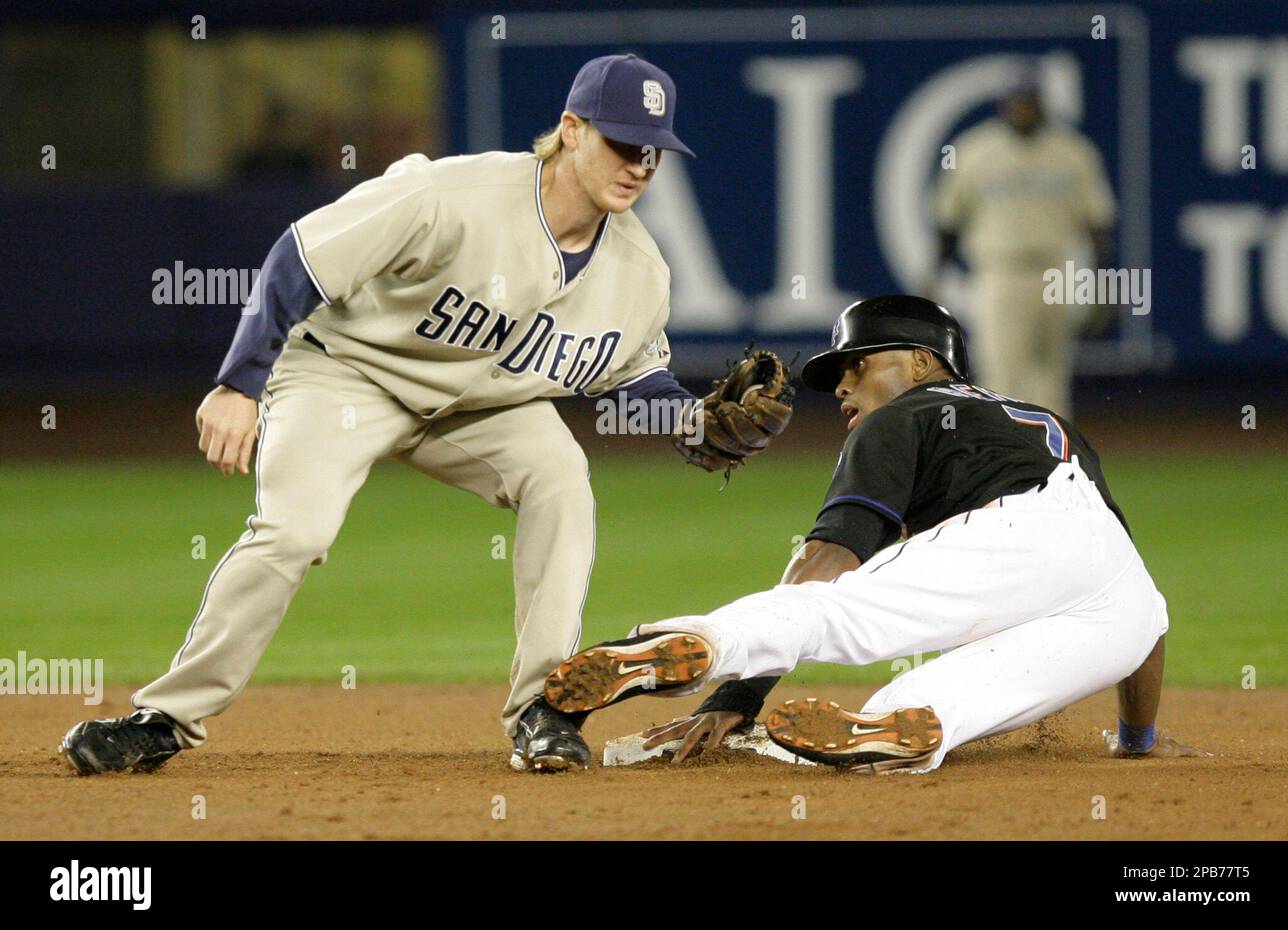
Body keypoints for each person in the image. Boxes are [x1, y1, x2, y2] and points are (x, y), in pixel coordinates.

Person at [60, 54, 746, 776]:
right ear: (571, 130)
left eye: (653, 151)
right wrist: (239, 384)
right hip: (345, 373)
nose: (639, 164)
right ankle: (164, 719)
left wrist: (693, 423)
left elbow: (638, 379)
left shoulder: (641, 269)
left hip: (480, 405)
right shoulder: (452, 193)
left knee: (562, 481)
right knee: (295, 531)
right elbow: (301, 258)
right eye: (622, 142)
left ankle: (545, 710)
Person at [542, 295, 1207, 773]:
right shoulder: (1041, 420)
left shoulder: (906, 414)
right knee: (968, 689)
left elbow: (826, 562)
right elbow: (1141, 611)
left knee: (835, 613)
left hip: (1010, 531)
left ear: (922, 363)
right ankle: (903, 726)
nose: (844, 386)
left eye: (858, 365)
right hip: (1113, 581)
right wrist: (1137, 737)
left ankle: (702, 644)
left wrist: (738, 694)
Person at [931, 68, 1116, 417]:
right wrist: (935, 277)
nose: (1025, 109)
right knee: (1002, 376)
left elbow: (1097, 223)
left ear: (1043, 104)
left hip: (1055, 269)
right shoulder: (975, 150)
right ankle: (1007, 462)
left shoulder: (1072, 152)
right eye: (1018, 102)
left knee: (1053, 379)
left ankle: (1054, 464)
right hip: (1001, 273)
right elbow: (948, 223)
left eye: (1031, 102)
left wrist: (1103, 284)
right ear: (1004, 105)